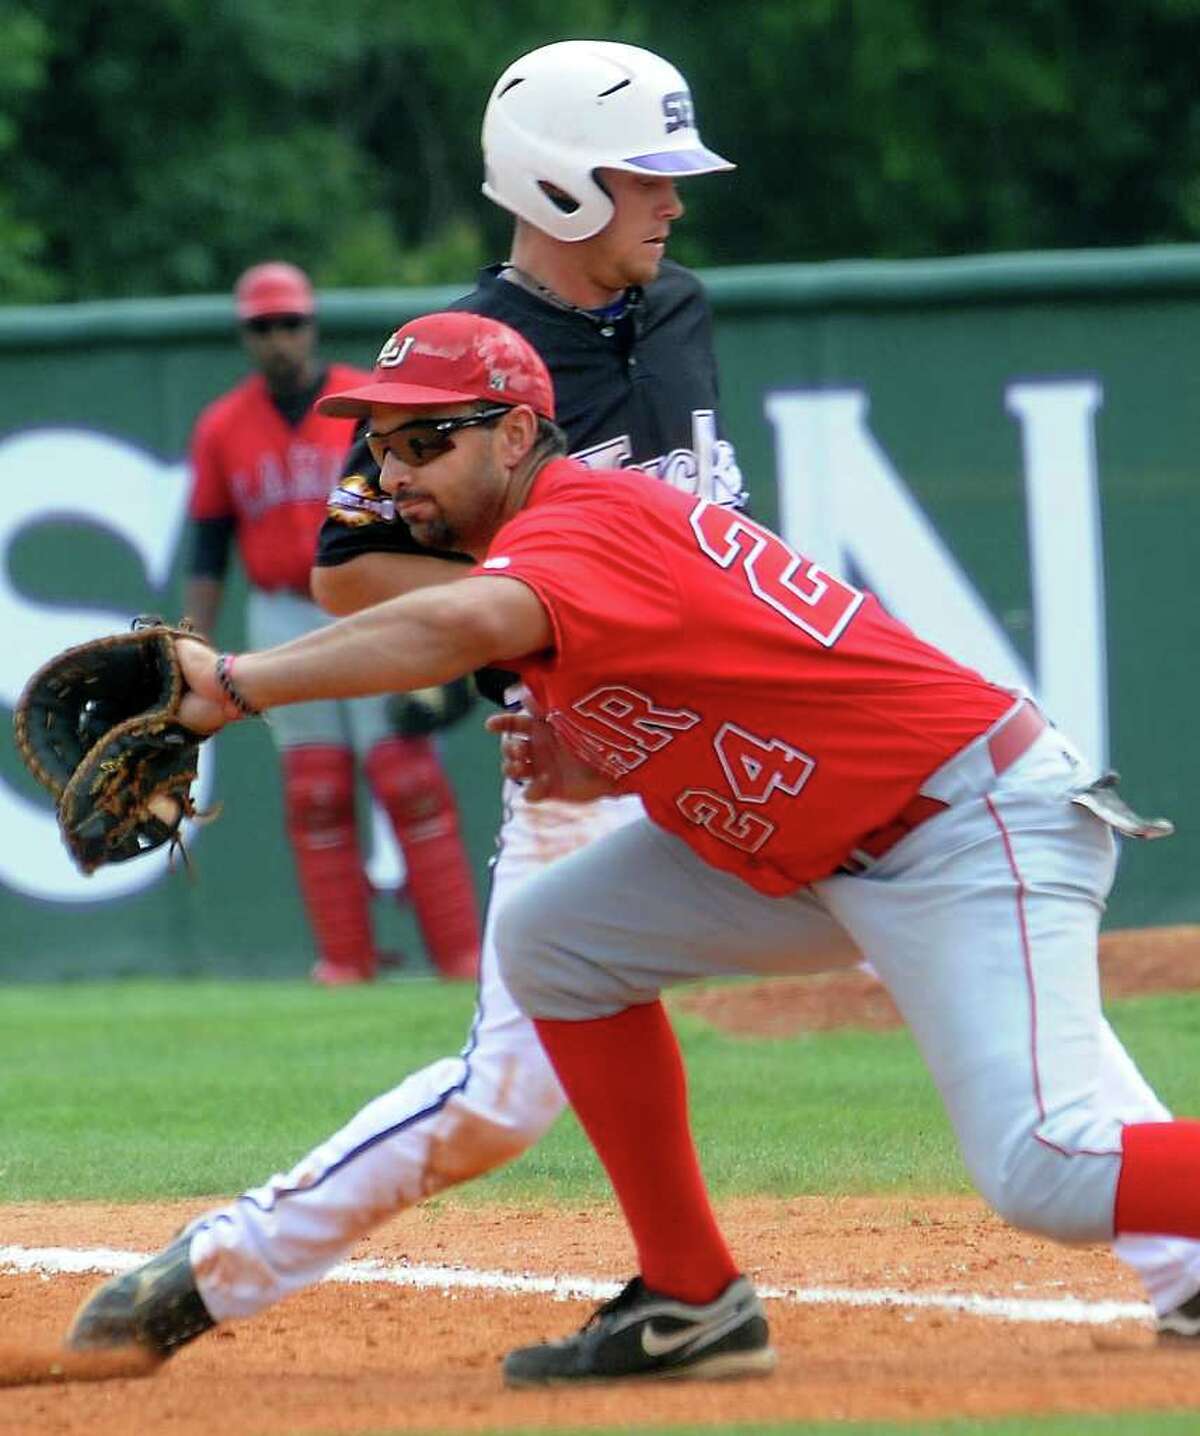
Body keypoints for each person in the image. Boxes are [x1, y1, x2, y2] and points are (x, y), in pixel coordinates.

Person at [68, 311, 1200, 1377]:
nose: (393, 471)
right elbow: (729, 689)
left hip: (966, 827)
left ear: (518, 435)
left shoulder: (578, 517)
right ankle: (691, 1296)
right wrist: (591, 759)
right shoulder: (565, 541)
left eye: (425, 439)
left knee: (1045, 1168)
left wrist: (236, 684)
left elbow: (460, 622)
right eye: (380, 445)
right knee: (557, 939)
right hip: (826, 848)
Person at [64, 41, 752, 1358]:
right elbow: (347, 566)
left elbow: (709, 531)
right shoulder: (464, 355)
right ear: (559, 184)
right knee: (503, 1098)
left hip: (739, 739)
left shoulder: (680, 309)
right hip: (582, 754)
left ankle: (1155, 1247)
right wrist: (531, 633)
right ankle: (214, 1266)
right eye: (646, 174)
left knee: (953, 905)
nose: (674, 199)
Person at [184, 260, 480, 984]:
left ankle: (461, 956)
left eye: (289, 323)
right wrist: (192, 643)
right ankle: (346, 959)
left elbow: (424, 503)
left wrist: (445, 612)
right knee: (314, 790)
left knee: (407, 775)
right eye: (263, 326)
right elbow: (209, 545)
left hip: (376, 595)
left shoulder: (364, 401)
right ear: (246, 336)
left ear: (311, 325)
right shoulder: (222, 426)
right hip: (282, 606)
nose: (278, 338)